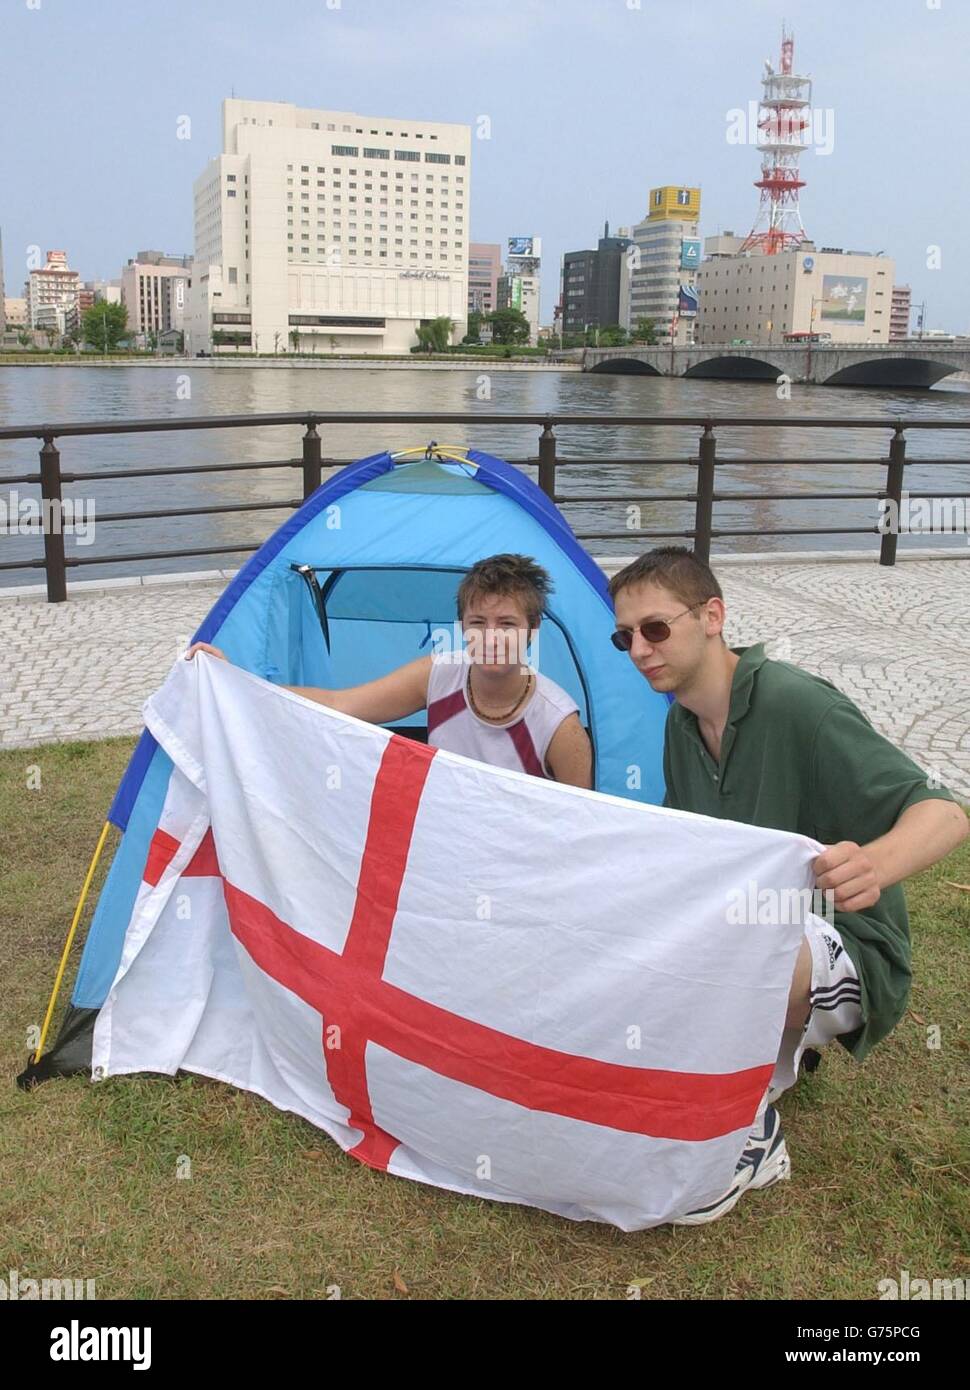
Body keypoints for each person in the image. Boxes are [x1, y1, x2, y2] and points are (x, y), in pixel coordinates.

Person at [608, 546, 967, 1224]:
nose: (637, 649)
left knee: (733, 945)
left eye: (655, 628)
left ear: (713, 616)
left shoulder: (795, 703)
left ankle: (753, 1136)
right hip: (763, 929)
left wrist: (877, 865)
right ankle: (769, 1054)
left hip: (850, 948)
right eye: (623, 636)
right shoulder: (681, 723)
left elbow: (945, 811)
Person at [186, 552, 592, 788]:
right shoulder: (439, 675)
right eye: (477, 623)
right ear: (461, 627)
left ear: (532, 631)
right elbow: (340, 703)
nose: (491, 637)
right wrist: (236, 680)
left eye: (507, 625)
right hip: (445, 837)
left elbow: (580, 825)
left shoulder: (558, 723)